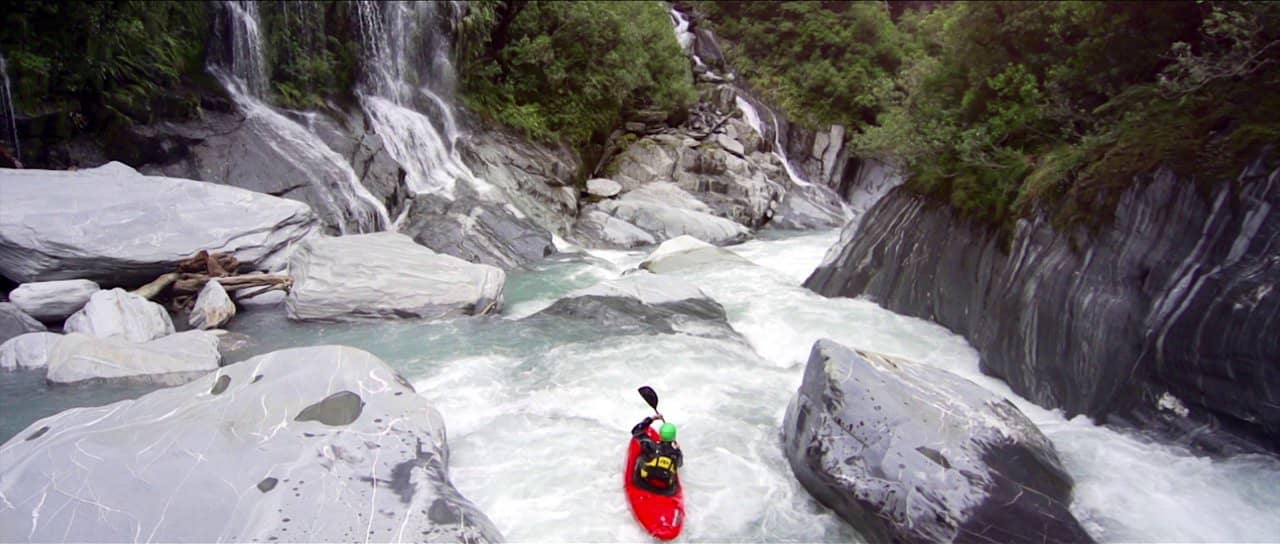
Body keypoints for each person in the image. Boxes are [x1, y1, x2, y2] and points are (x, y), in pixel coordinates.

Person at [631, 413, 682, 495]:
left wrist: (651, 419)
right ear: (673, 437)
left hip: (642, 483)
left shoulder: (649, 444)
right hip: (666, 490)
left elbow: (636, 431)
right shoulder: (676, 453)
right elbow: (679, 464)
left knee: (642, 456)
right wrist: (678, 449)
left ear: (660, 435)